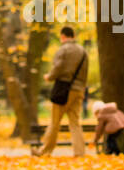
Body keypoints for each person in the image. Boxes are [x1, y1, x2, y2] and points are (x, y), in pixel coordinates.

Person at [34, 26, 87, 157]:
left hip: (64, 90)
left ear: (63, 36)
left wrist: (49, 77)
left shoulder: (64, 50)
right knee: (75, 123)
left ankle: (45, 151)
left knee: (54, 122)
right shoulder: (83, 51)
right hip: (79, 89)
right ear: (73, 35)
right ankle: (80, 153)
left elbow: (58, 67)